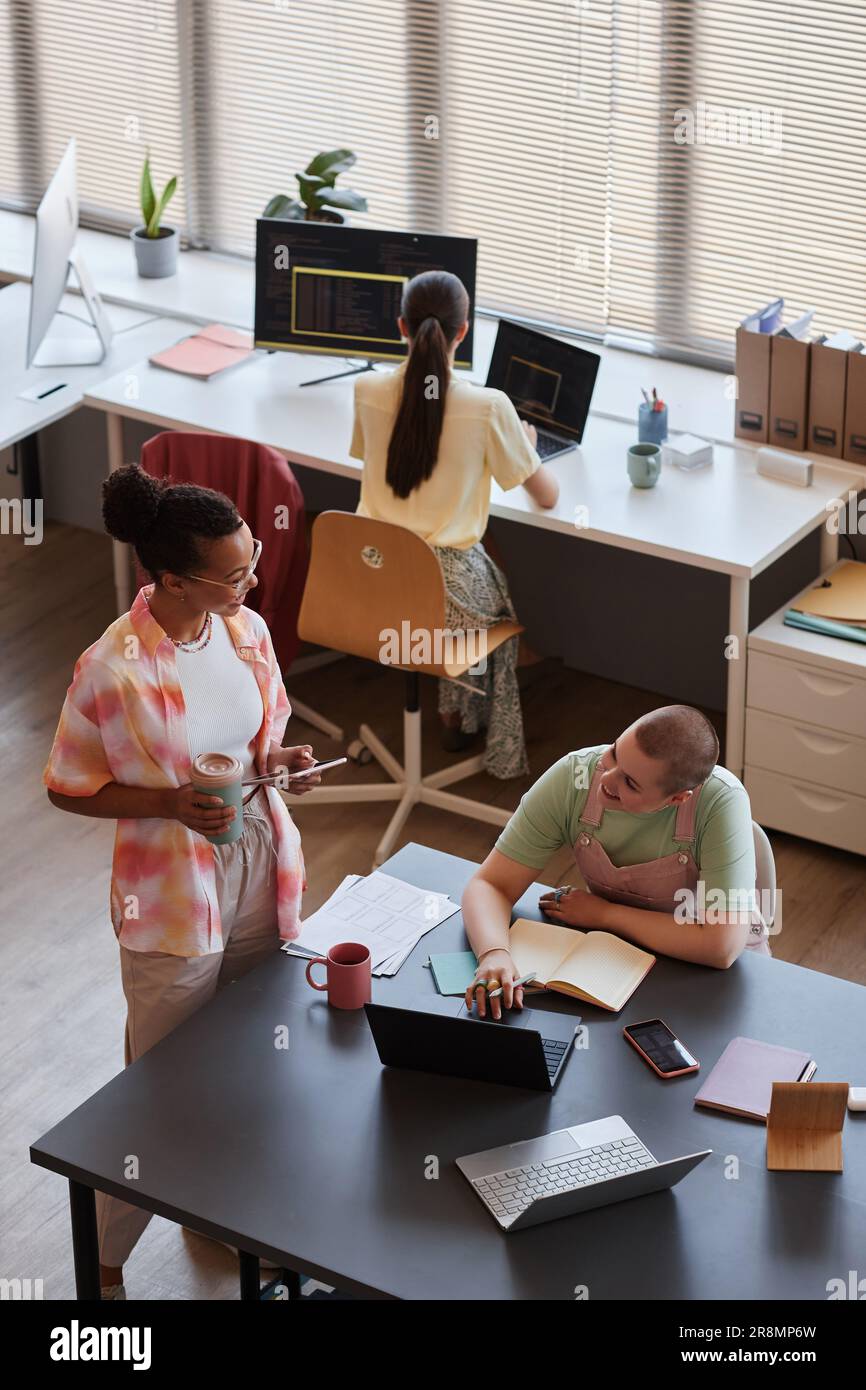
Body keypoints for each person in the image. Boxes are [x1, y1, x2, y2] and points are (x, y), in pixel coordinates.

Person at [43, 464, 320, 1299]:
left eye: (252, 561)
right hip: (169, 890)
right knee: (164, 1088)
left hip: (258, 858)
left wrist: (282, 764)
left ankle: (227, 1215)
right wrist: (170, 802)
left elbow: (257, 738)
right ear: (169, 578)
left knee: (253, 1059)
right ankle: (101, 1260)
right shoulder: (112, 666)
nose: (252, 580)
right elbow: (67, 783)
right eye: (232, 573)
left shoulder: (246, 631)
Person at [349, 269, 559, 779]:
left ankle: (452, 709)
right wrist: (524, 447)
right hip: (444, 602)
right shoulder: (488, 407)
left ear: (401, 326)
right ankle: (457, 711)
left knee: (467, 559)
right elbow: (549, 499)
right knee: (476, 571)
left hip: (367, 582)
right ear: (464, 331)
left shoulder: (366, 388)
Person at [462, 705, 770, 1019]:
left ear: (678, 799)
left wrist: (607, 914)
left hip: (716, 982)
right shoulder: (575, 777)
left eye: (631, 783)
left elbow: (720, 946)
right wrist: (493, 952)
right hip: (620, 958)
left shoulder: (721, 802)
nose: (606, 778)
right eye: (614, 753)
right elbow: (491, 883)